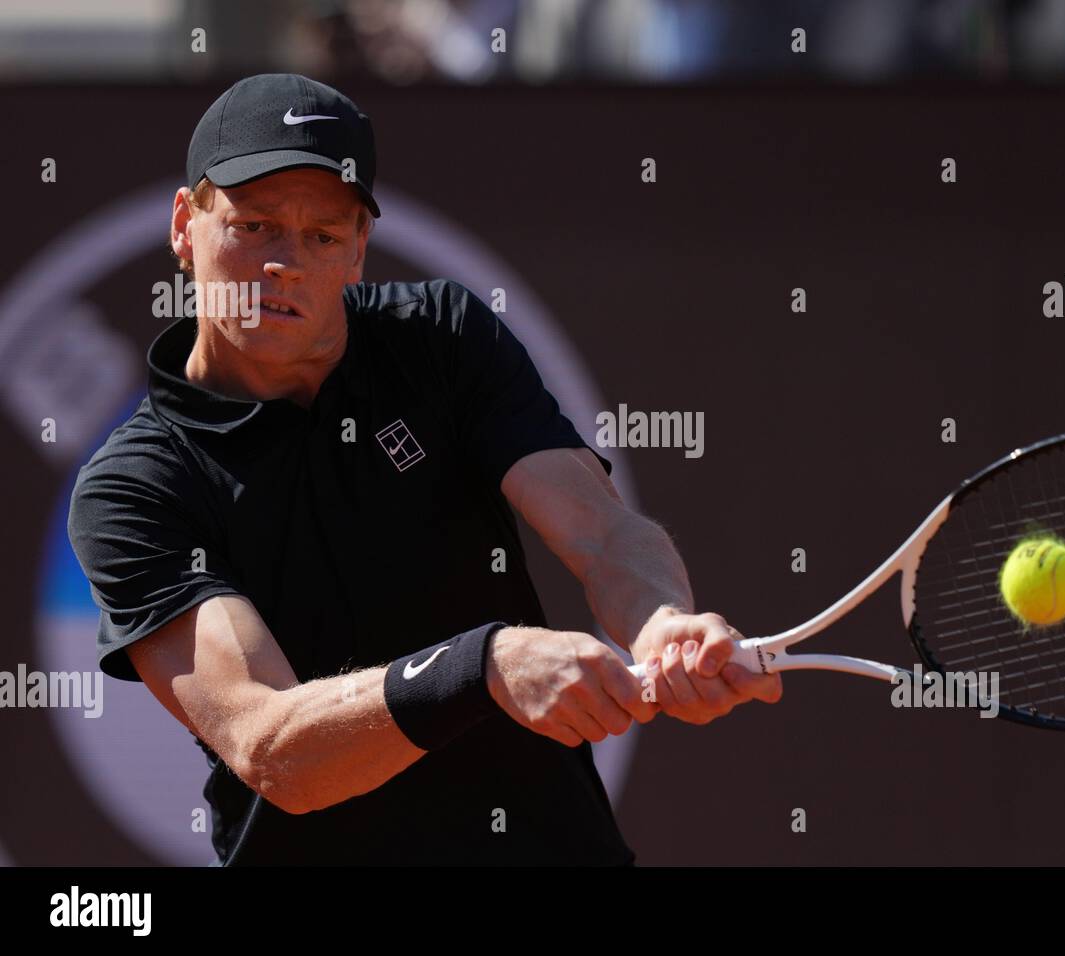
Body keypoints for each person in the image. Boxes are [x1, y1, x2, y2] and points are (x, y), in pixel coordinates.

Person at [67, 73, 781, 865]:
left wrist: (661, 622)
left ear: (359, 252)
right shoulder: (134, 487)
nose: (285, 265)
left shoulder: (443, 338)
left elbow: (603, 531)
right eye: (256, 225)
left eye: (323, 237)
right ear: (184, 224)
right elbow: (271, 744)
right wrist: (484, 667)